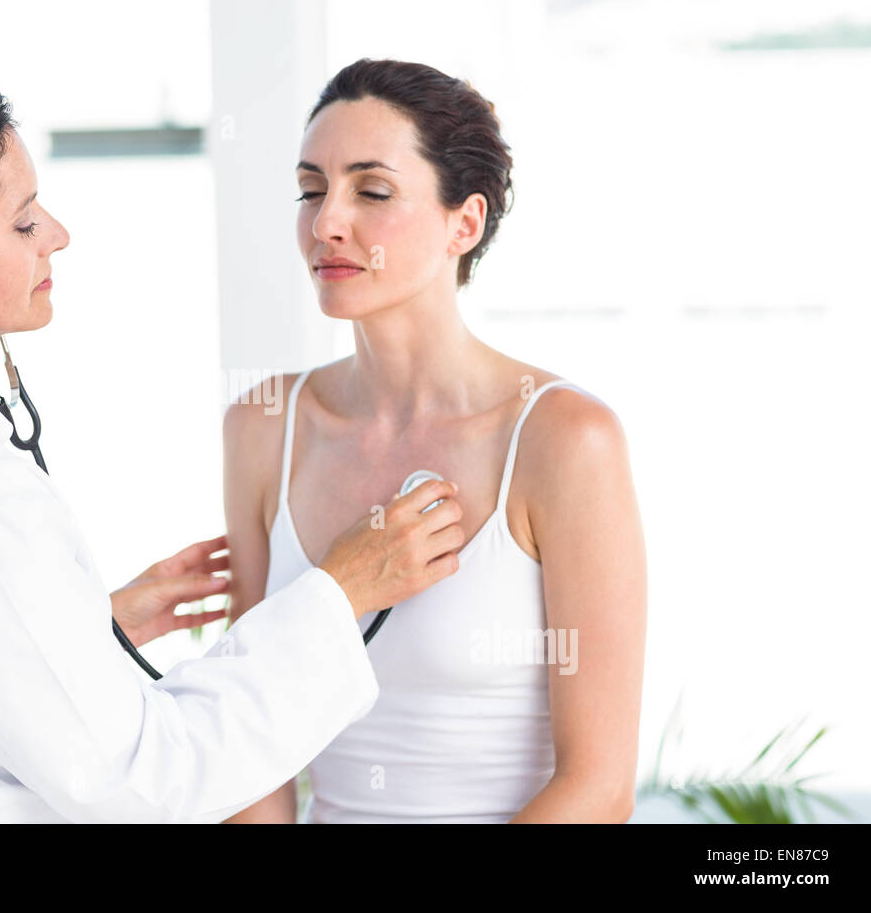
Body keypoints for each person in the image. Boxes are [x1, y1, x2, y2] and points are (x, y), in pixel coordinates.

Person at [0, 74, 465, 823]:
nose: (58, 235)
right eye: (23, 222)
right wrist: (343, 593)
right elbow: (145, 779)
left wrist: (84, 627)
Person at [222, 59, 647, 823]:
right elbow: (251, 746)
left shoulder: (564, 439)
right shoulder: (262, 425)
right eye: (311, 189)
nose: (327, 223)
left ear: (466, 222)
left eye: (371, 191)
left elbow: (600, 789)